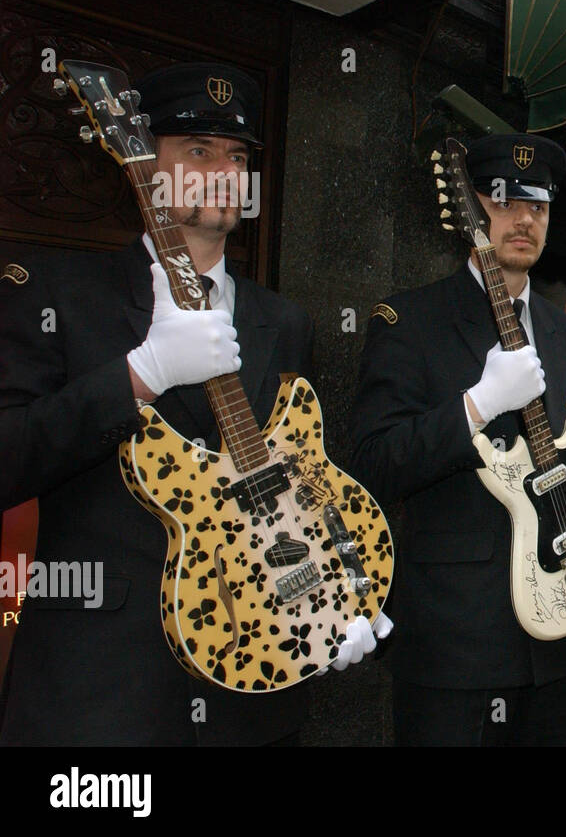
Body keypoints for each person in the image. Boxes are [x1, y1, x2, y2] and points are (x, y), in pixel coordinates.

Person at [0, 63, 380, 745]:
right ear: (141, 160)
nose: (223, 169)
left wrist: (343, 582)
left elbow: (306, 479)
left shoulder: (284, 321)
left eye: (237, 156)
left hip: (257, 681)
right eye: (197, 150)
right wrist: (139, 374)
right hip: (103, 691)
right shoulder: (58, 293)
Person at [349, 133, 566, 746]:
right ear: (470, 212)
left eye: (538, 206)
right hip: (454, 640)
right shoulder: (409, 322)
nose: (524, 218)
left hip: (560, 628)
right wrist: (474, 407)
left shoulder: (565, 332)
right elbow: (374, 462)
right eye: (504, 202)